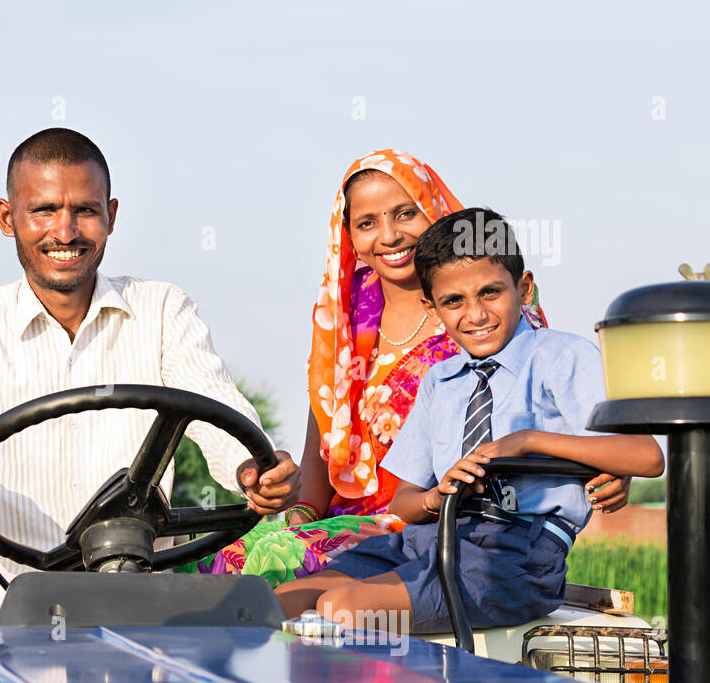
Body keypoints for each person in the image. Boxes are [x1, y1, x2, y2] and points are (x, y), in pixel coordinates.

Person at [0, 127, 300, 624]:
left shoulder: (163, 309)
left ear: (111, 216)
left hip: (136, 596)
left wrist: (252, 470)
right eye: (43, 210)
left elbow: (214, 403)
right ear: (7, 217)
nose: (65, 232)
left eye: (85, 210)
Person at [212, 150, 625, 582]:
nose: (388, 236)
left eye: (405, 213)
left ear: (434, 213)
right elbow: (322, 436)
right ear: (348, 236)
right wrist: (298, 519)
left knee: (269, 569)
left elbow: (559, 411)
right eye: (367, 223)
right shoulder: (344, 317)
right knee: (218, 558)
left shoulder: (482, 314)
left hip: (449, 523)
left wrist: (613, 471)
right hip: (349, 521)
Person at [273, 208, 664, 633]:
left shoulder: (561, 356)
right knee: (284, 600)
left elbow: (646, 456)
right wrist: (434, 498)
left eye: (490, 293)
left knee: (343, 608)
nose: (475, 314)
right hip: (435, 534)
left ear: (525, 288)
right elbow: (404, 499)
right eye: (454, 301)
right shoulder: (441, 380)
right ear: (432, 305)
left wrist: (526, 442)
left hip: (516, 552)